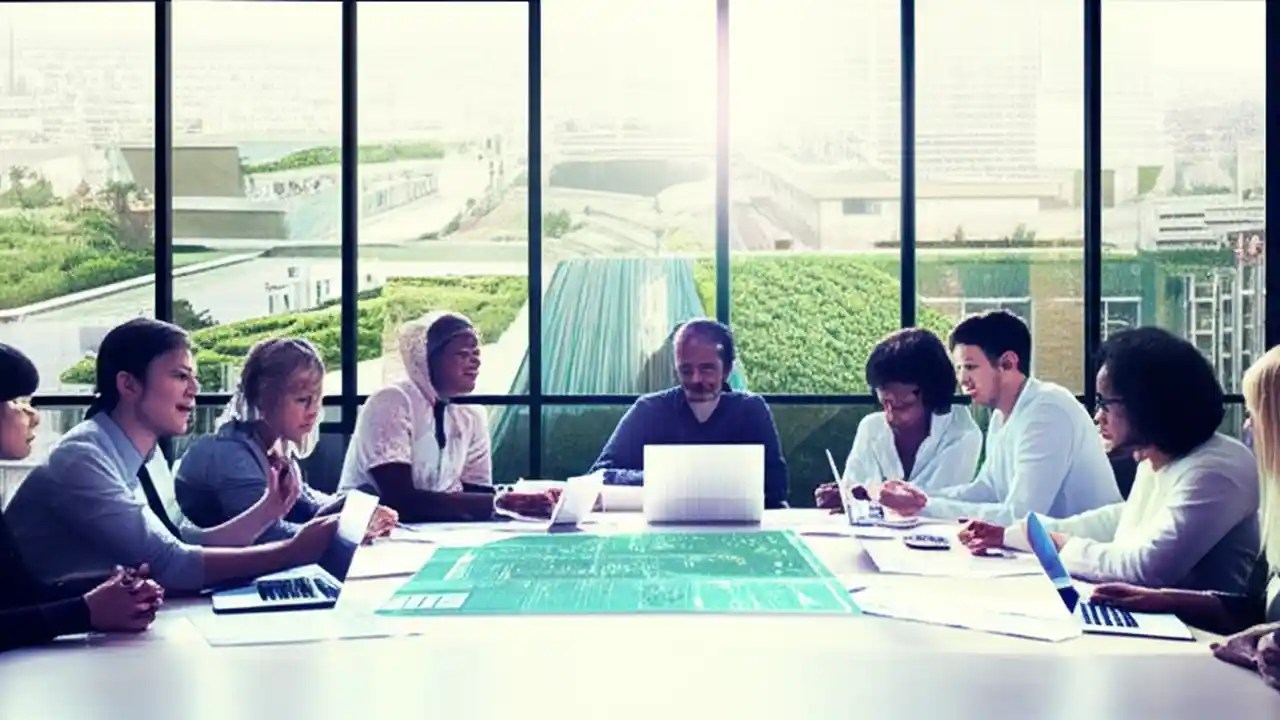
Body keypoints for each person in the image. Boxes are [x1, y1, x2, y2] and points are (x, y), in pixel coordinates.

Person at [4, 319, 341, 595]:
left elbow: (180, 538)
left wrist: (266, 512)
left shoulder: (148, 457)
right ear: (129, 384)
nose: (194, 388)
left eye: (193, 377)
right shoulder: (84, 459)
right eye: (180, 375)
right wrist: (293, 552)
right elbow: (171, 564)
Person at [959, 327, 1259, 594]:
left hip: (1199, 644)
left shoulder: (1216, 470)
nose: (1097, 416)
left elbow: (1145, 570)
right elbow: (1121, 519)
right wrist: (1017, 535)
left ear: (1148, 403)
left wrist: (1056, 543)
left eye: (1106, 403)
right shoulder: (1160, 456)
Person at [1090, 344, 1280, 692]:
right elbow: (1258, 610)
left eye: (1257, 414)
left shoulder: (1218, 468)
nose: (1249, 426)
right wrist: (1164, 599)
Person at [871, 310, 1119, 524]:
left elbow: (1022, 516)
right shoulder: (1002, 415)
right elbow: (987, 489)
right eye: (959, 368)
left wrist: (923, 506)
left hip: (1083, 559)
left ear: (1008, 363)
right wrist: (918, 495)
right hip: (1041, 554)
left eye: (970, 367)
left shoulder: (1047, 411)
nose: (962, 379)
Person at [0, 343, 164, 652]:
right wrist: (84, 611)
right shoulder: (80, 457)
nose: (33, 416)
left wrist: (106, 589)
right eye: (16, 401)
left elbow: (15, 597)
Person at [175, 337, 397, 546]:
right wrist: (346, 527)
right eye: (302, 400)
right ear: (263, 400)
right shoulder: (231, 456)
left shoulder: (273, 445)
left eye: (317, 400)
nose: (313, 412)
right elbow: (266, 535)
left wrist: (357, 509)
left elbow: (305, 504)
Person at [338, 312, 558, 522]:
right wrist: (501, 502)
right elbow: (400, 501)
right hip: (366, 532)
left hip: (435, 532)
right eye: (462, 354)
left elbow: (477, 493)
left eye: (476, 354)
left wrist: (522, 499)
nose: (475, 362)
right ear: (428, 360)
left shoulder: (471, 414)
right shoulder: (391, 402)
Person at [589, 318, 789, 508]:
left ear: (727, 369)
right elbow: (597, 476)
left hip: (737, 530)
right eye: (686, 370)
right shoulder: (649, 410)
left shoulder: (750, 410)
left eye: (707, 369)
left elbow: (776, 488)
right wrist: (672, 479)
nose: (695, 379)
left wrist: (679, 481)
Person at [814, 328, 981, 509]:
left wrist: (866, 495)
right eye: (885, 402)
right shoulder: (871, 427)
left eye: (904, 405)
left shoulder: (961, 433)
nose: (891, 414)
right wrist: (844, 497)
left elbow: (930, 505)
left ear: (932, 396)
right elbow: (854, 494)